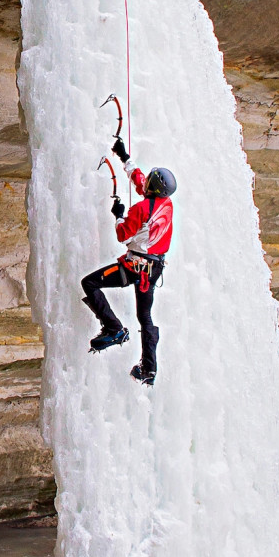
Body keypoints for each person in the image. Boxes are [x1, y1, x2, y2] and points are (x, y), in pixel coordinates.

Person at [81, 136, 176, 386]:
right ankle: (149, 369)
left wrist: (119, 216)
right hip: (154, 270)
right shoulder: (166, 204)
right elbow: (143, 183)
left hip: (134, 268)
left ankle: (114, 329)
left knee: (89, 283)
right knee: (145, 317)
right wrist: (124, 158)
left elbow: (123, 236)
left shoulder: (141, 210)